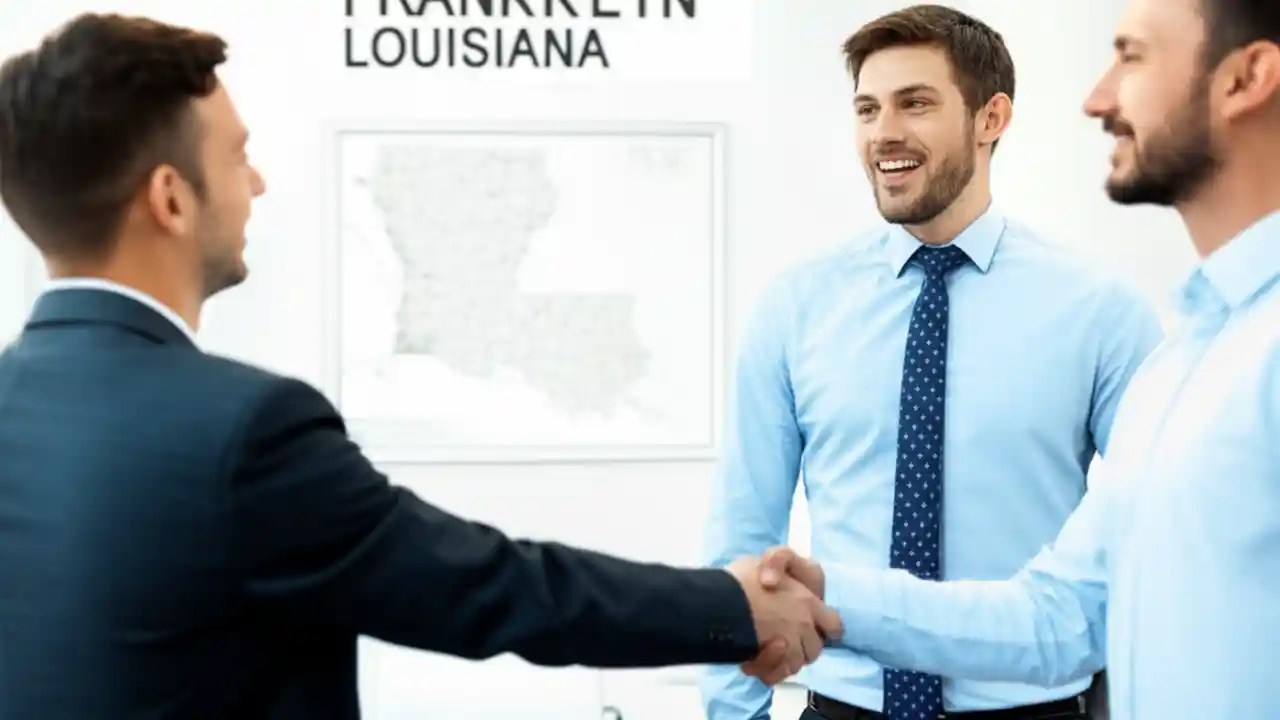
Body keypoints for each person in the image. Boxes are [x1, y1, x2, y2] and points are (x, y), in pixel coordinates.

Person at [0, 13, 842, 719]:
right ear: (171, 199)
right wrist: (732, 607)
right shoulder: (242, 432)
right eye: (236, 155)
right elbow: (491, 588)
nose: (256, 184)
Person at [746, 0, 1280, 717]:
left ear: (1247, 79)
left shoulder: (1153, 330)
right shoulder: (1184, 363)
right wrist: (829, 598)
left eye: (1133, 55)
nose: (1098, 97)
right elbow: (1062, 619)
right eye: (868, 108)